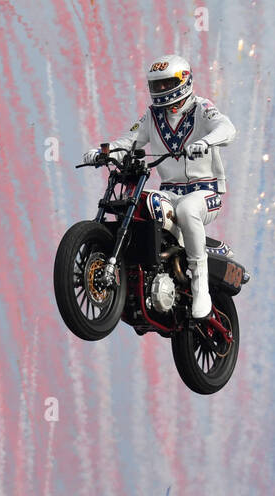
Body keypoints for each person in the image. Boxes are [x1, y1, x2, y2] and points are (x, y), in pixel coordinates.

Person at [84, 53, 236, 319]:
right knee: (144, 203)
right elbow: (129, 140)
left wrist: (207, 142)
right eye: (157, 85)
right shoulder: (152, 116)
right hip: (169, 191)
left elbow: (227, 127)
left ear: (184, 81)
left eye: (167, 84)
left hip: (204, 193)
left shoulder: (202, 108)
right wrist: (103, 152)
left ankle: (201, 287)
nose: (162, 90)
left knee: (188, 209)